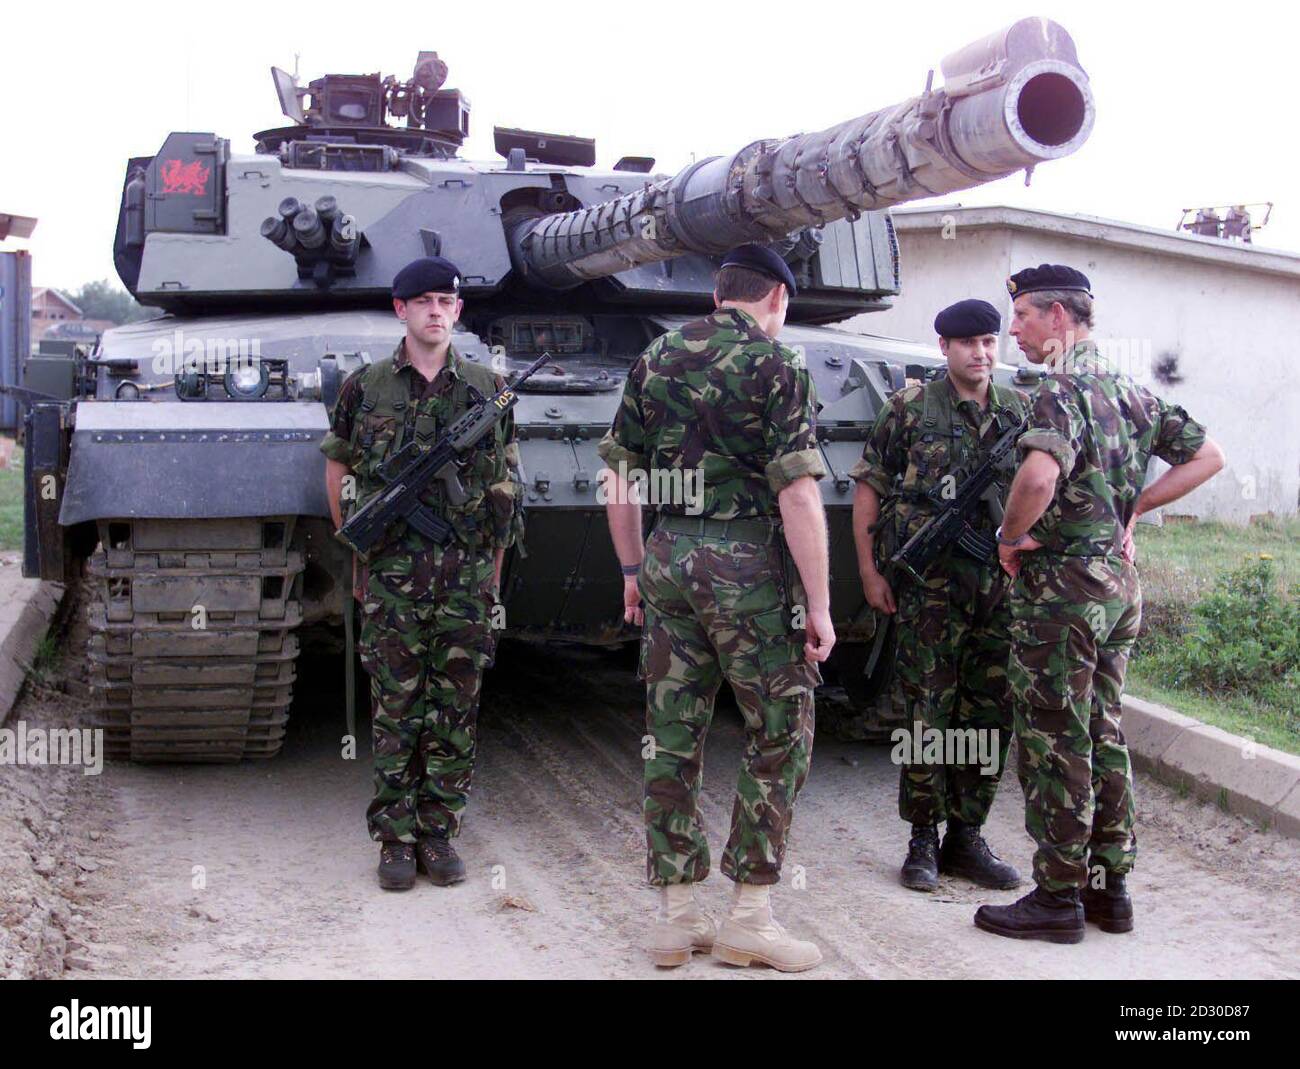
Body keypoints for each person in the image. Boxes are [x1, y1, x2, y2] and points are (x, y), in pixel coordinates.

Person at [598, 243, 834, 972]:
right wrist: (820, 603)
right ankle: (750, 917)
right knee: (778, 732)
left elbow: (618, 477)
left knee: (670, 734)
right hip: (750, 568)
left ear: (718, 294)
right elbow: (797, 492)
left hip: (670, 560)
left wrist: (634, 568)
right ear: (777, 300)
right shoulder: (777, 362)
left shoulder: (657, 356)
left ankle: (676, 917)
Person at [974, 264, 1224, 943]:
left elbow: (1039, 472)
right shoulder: (1129, 390)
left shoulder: (1063, 388)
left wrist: (1011, 534)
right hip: (1117, 586)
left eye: (1024, 314)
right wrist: (1132, 510)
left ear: (1061, 318)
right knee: (1102, 728)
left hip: (1063, 589)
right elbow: (1207, 456)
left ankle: (1056, 897)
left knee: (1054, 736)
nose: (1014, 327)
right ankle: (1110, 888)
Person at [319, 256, 523, 891]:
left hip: (464, 577)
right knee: (396, 707)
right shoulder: (365, 387)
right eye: (423, 301)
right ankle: (394, 839)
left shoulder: (489, 390)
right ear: (400, 310)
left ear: (458, 311)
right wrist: (360, 551)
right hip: (393, 575)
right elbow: (340, 469)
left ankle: (439, 832)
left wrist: (491, 575)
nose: (437, 311)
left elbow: (503, 491)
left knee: (455, 705)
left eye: (447, 300)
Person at [851, 299, 1026, 893]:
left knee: (988, 712)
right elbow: (869, 490)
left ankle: (966, 836)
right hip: (928, 590)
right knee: (928, 711)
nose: (982, 353)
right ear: (944, 349)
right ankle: (922, 838)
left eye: (989, 341)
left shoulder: (1019, 412)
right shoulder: (908, 409)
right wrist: (871, 574)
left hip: (998, 591)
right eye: (969, 343)